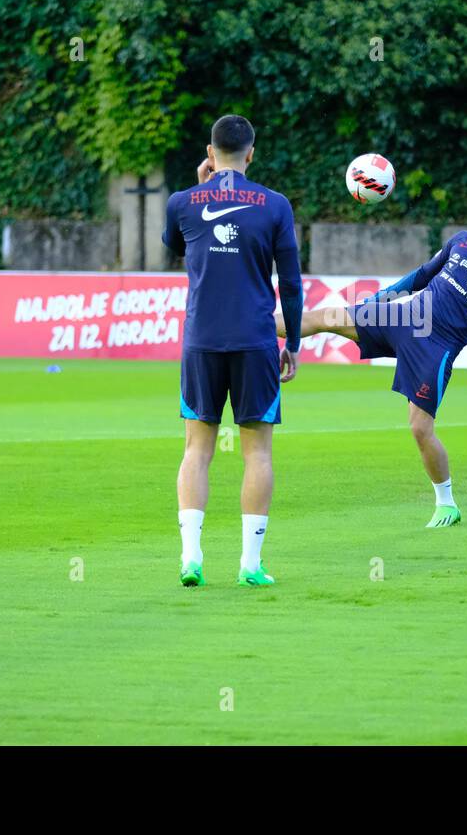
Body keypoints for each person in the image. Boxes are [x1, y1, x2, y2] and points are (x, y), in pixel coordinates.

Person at [278, 186, 467, 528]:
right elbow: (422, 275)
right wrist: (382, 297)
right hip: (404, 317)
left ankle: (447, 504)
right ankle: (251, 327)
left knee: (419, 429)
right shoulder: (463, 240)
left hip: (437, 347)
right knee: (327, 317)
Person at [162, 115, 303, 587]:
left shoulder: (182, 202)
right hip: (255, 340)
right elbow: (291, 283)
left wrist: (197, 188)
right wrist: (295, 343)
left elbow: (172, 246)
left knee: (196, 450)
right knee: (257, 453)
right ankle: (249, 564)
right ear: (252, 153)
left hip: (201, 340)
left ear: (209, 152)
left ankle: (191, 558)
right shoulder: (275, 205)